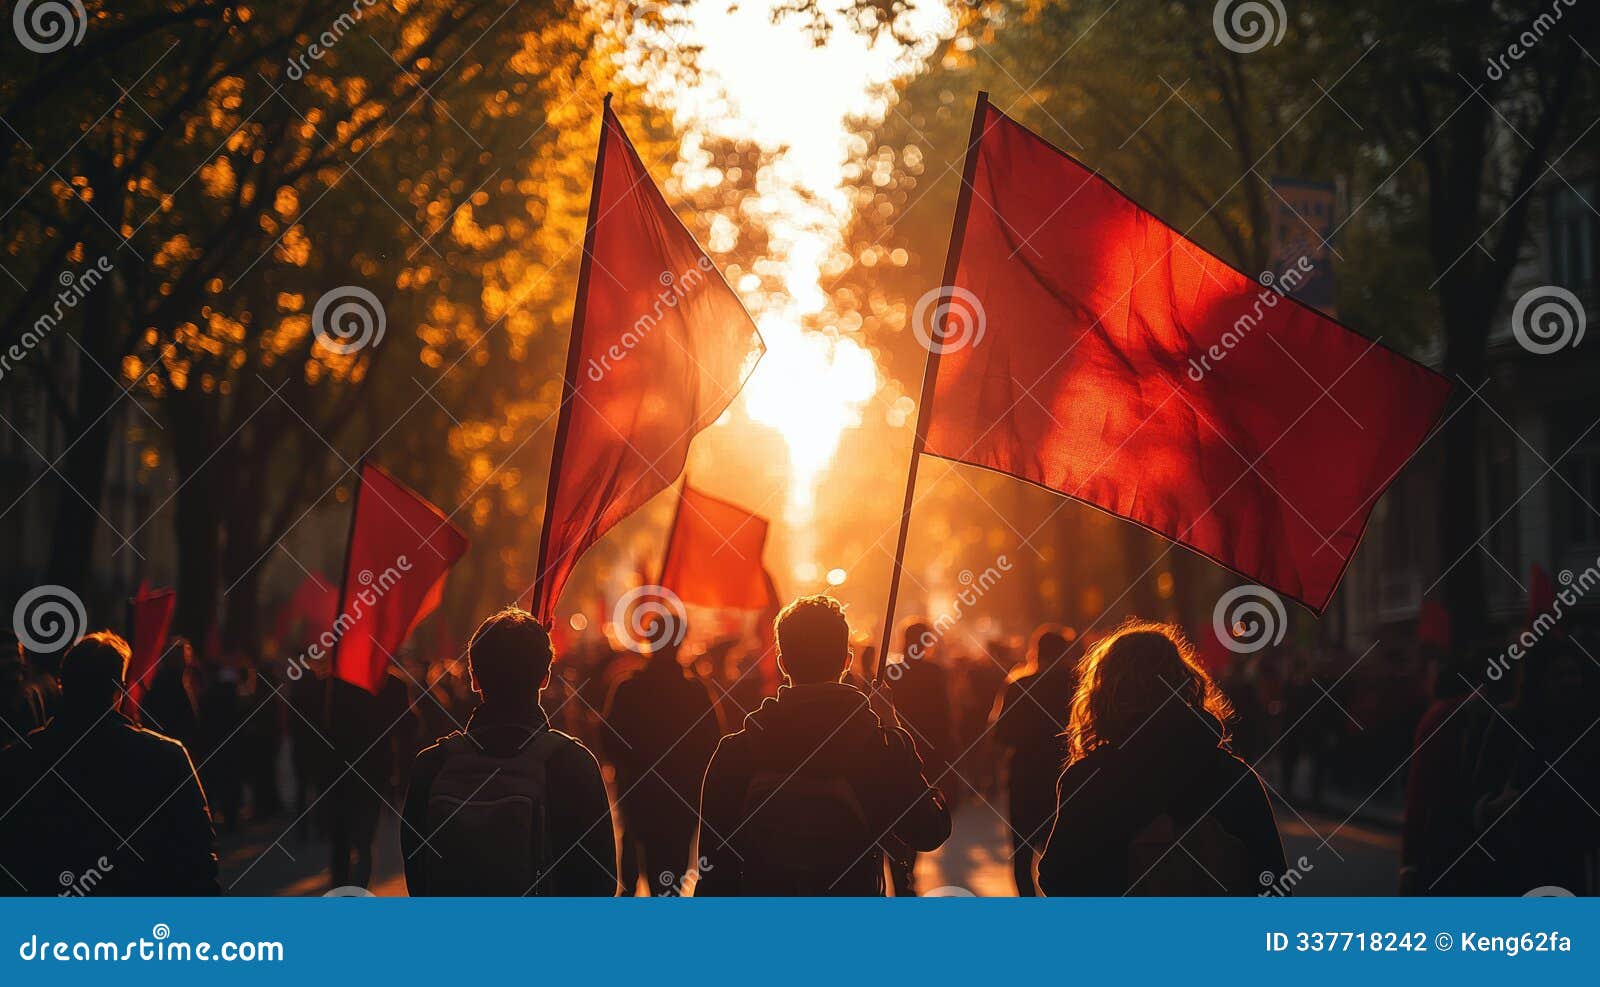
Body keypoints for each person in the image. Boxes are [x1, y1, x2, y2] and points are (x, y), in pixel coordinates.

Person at [694, 595, 951, 896]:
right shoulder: (877, 749)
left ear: (782, 663)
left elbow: (713, 872)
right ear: (847, 661)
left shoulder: (736, 752)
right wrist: (894, 731)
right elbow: (929, 830)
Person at [1038, 620, 1284, 896]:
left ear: (1104, 693)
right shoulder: (1233, 776)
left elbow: (1055, 879)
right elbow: (1273, 881)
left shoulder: (1087, 780)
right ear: (1186, 683)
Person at [403, 607, 616, 896]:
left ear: (473, 678)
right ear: (545, 676)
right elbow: (599, 883)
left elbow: (419, 881)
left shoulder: (430, 767)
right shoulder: (573, 764)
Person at [0, 631, 220, 895]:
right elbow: (197, 857)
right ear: (121, 689)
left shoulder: (18, 761)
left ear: (62, 684)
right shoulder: (166, 756)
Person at [601, 615, 724, 894]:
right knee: (669, 877)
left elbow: (609, 738)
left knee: (633, 860)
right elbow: (712, 744)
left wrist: (632, 764)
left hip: (638, 792)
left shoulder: (628, 688)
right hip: (680, 798)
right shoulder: (695, 692)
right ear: (680, 641)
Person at [990, 625, 1079, 895]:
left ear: (1035, 652)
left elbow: (1000, 734)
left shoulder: (1019, 686)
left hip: (1024, 777)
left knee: (1022, 853)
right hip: (1066, 775)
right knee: (1065, 851)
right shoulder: (1077, 686)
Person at [883, 617, 956, 895]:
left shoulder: (892, 672)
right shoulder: (935, 672)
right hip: (927, 753)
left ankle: (901, 877)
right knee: (917, 809)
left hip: (895, 750)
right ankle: (908, 872)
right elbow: (945, 716)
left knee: (893, 813)